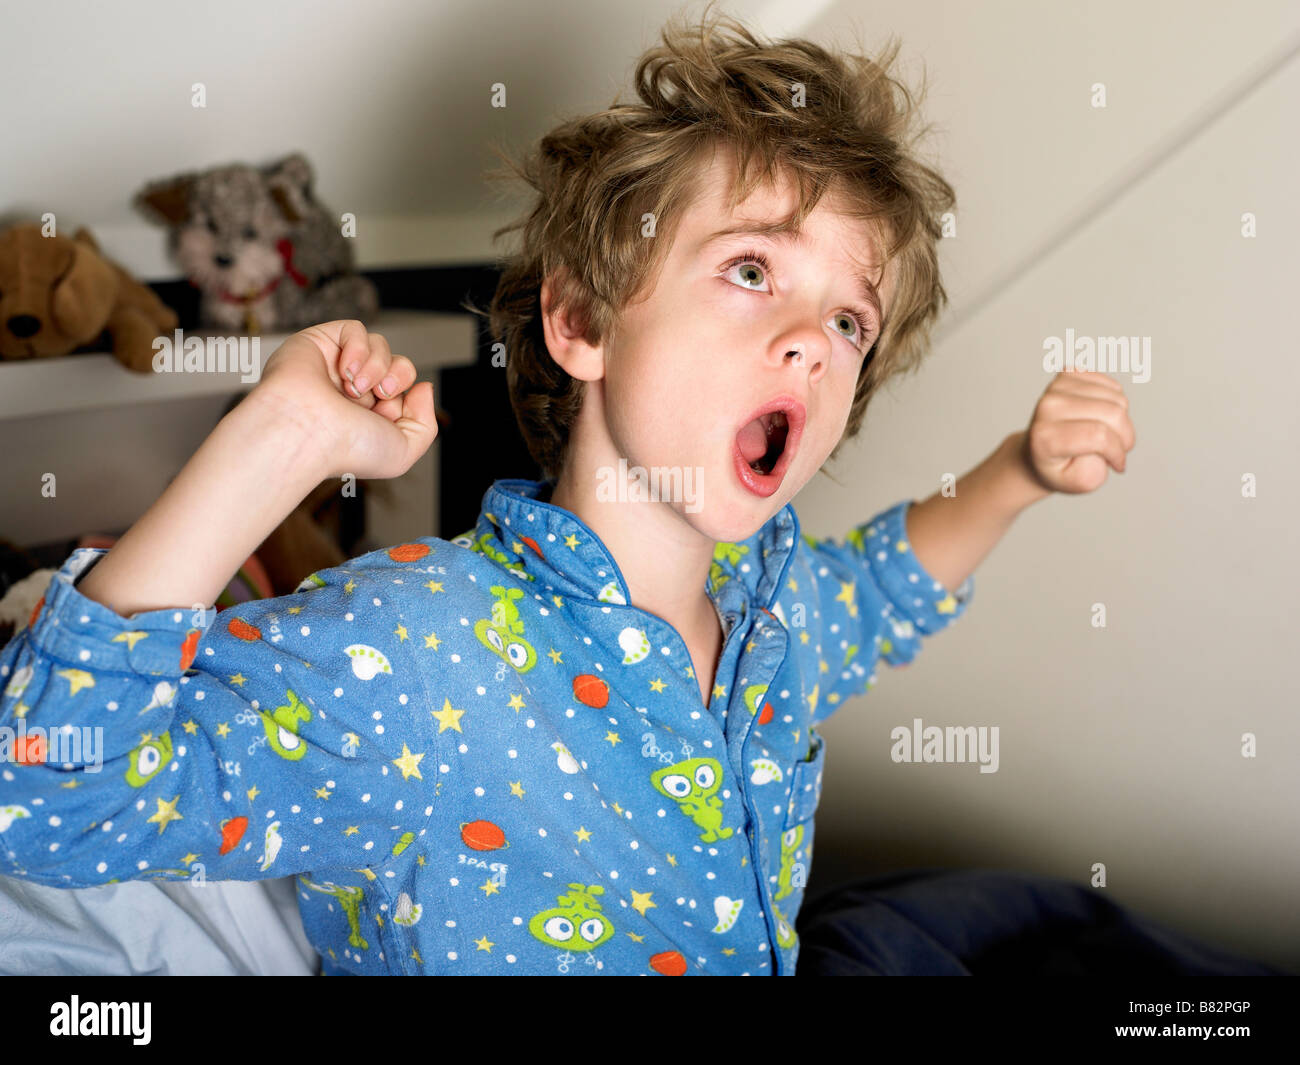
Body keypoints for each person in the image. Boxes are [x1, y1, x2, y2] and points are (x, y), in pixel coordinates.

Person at [6, 9, 1262, 978]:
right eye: (752, 269)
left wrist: (1020, 475)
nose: (812, 342)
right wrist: (271, 439)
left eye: (846, 320)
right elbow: (46, 801)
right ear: (579, 322)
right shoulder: (420, 651)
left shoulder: (772, 608)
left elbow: (883, 588)